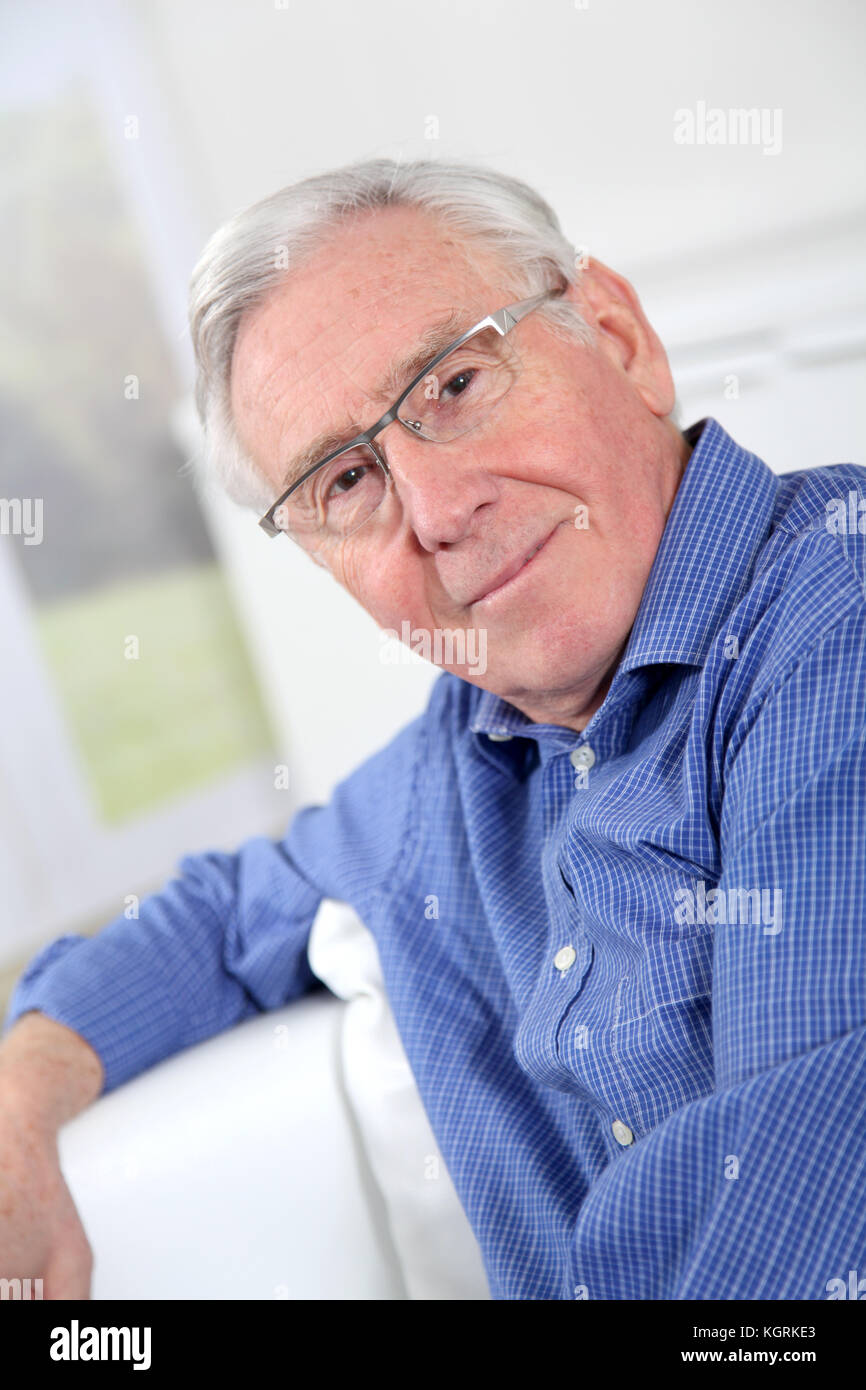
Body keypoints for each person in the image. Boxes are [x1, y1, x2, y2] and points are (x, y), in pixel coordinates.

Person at [2, 159, 865, 1301]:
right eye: (347, 479)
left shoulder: (830, 626)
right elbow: (221, 916)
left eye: (455, 383)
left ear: (615, 336)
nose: (436, 511)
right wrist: (23, 1097)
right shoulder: (464, 757)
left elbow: (799, 1266)